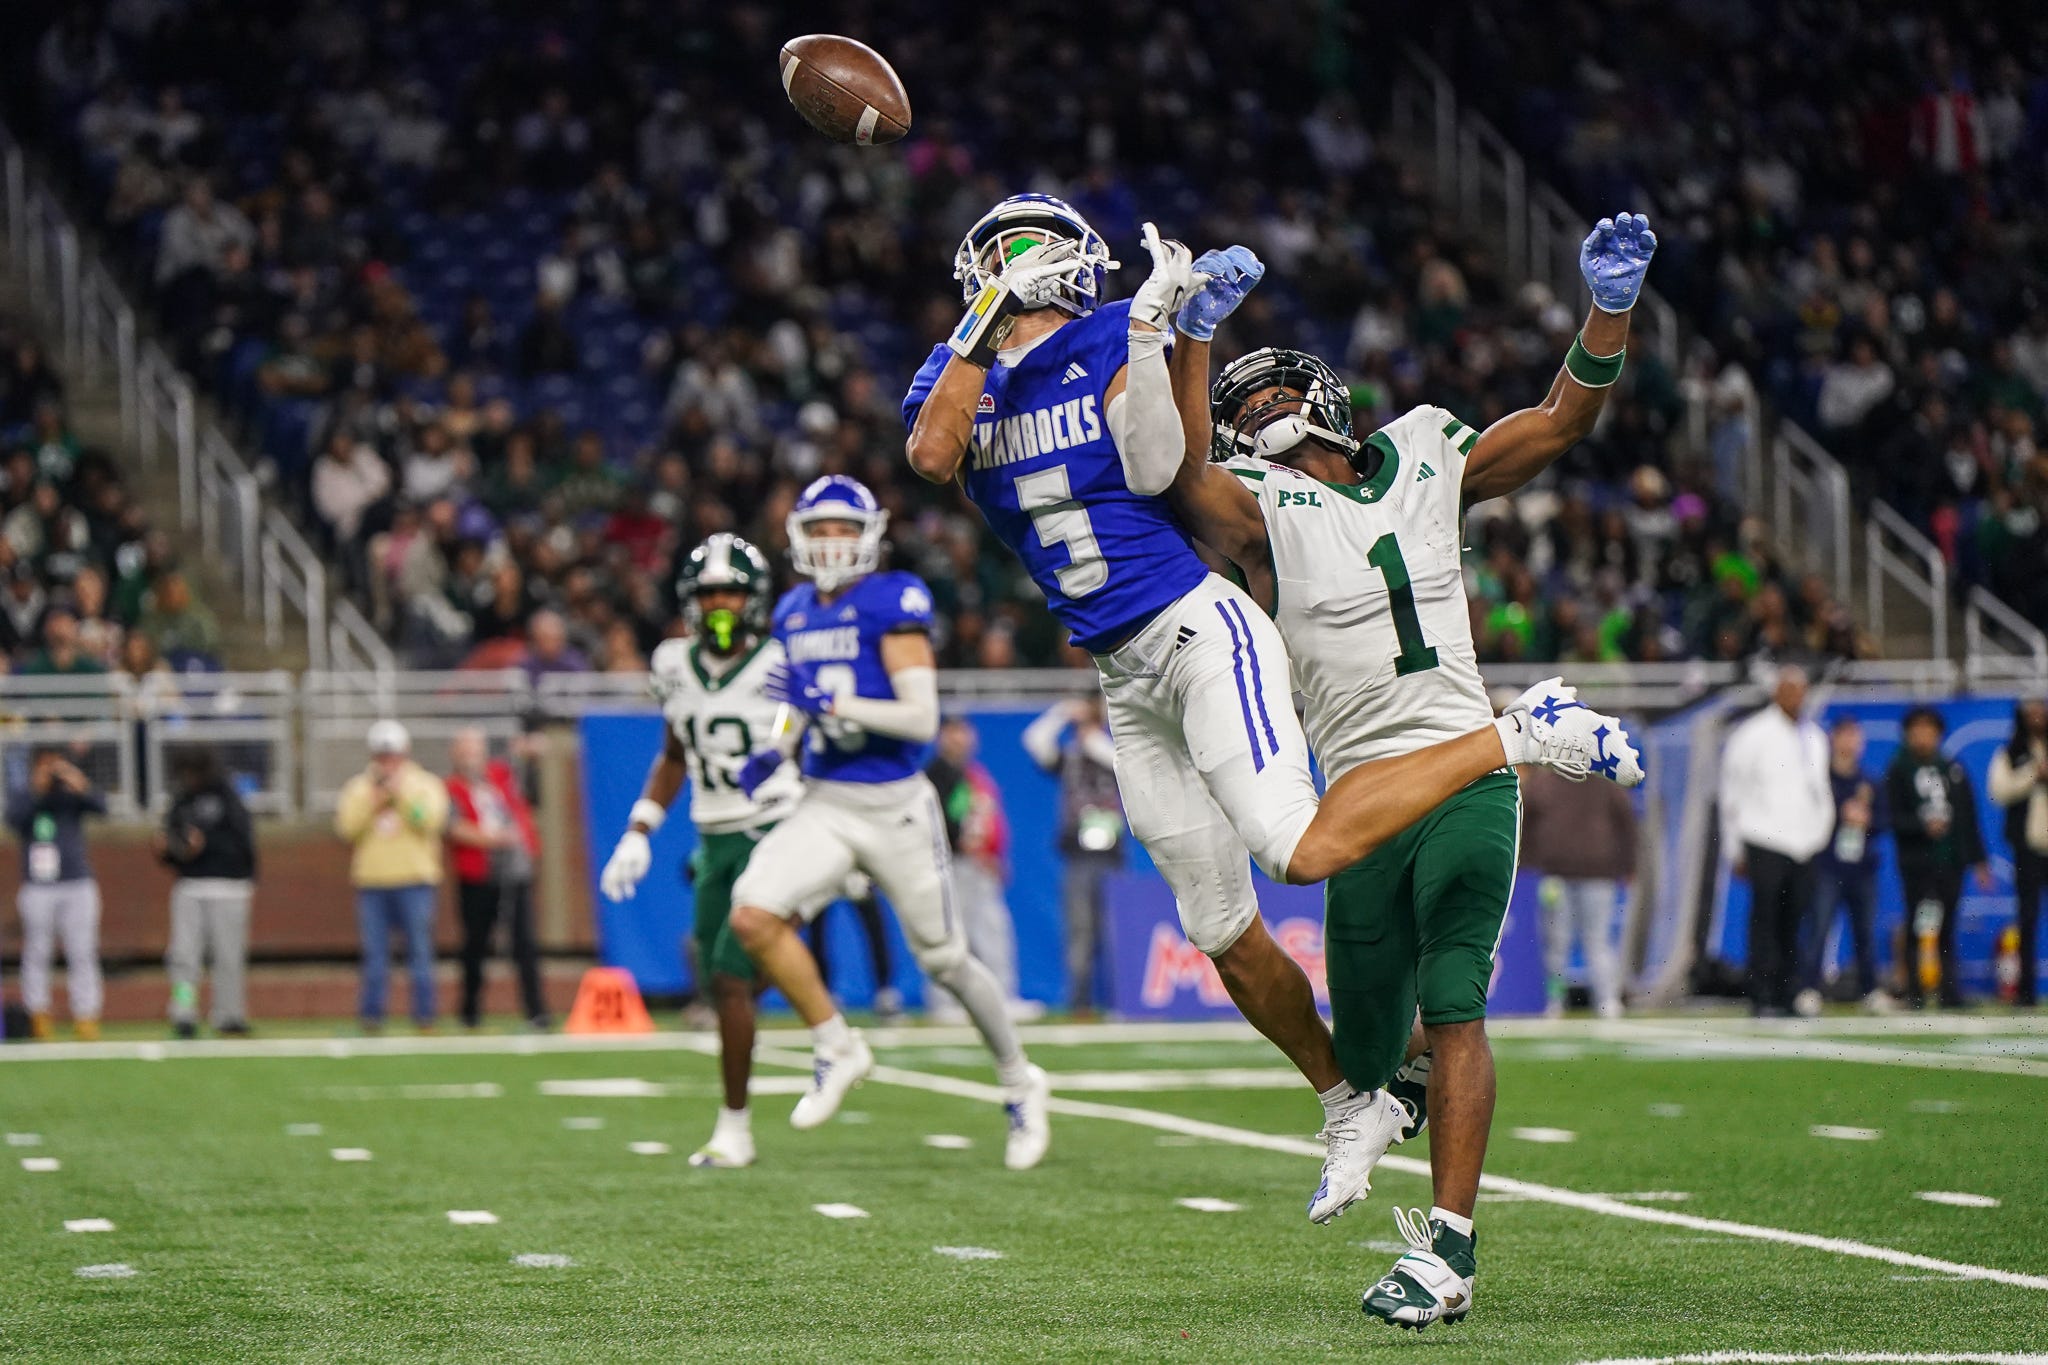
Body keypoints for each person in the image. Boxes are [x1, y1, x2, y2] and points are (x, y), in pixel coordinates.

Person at [904, 195, 1627, 1229]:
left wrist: (1169, 330)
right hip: (1120, 671)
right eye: (1004, 258)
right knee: (1218, 924)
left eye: (1034, 251)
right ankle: (1347, 1102)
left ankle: (1517, 731)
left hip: (1197, 634)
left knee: (1292, 849)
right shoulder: (954, 368)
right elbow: (932, 458)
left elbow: (1162, 468)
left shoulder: (1115, 331)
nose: (1022, 267)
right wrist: (984, 323)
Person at [1161, 213, 1653, 1328]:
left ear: (1328, 399)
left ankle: (1448, 1255)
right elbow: (1183, 477)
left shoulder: (1428, 449)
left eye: (1272, 394)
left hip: (1464, 773)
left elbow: (1560, 421)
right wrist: (1190, 341)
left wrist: (1607, 310)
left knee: (1458, 1003)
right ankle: (1414, 1078)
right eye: (1241, 410)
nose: (1258, 413)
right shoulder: (1257, 514)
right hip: (1358, 806)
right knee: (1375, 1059)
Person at [725, 475, 1053, 1169]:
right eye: (820, 529)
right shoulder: (792, 610)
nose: (832, 541)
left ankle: (1021, 1080)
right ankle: (836, 1042)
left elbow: (920, 718)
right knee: (753, 913)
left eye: (845, 528)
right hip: (825, 799)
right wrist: (775, 747)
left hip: (895, 802)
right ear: (799, 536)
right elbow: (793, 701)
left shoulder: (892, 599)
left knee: (944, 960)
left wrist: (835, 706)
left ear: (869, 534)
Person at [599, 534, 809, 1168]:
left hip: (775, 828)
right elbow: (672, 754)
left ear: (754, 600)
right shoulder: (671, 664)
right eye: (709, 592)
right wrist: (640, 828)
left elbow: (800, 735)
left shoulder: (781, 660)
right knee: (725, 984)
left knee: (730, 973)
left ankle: (740, 1120)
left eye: (731, 592)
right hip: (713, 835)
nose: (720, 604)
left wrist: (793, 770)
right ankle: (758, 1102)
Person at [1718, 667, 1834, 1017]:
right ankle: (1761, 992)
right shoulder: (1752, 734)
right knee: (1765, 918)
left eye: (1801, 690)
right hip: (1763, 836)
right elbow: (1731, 792)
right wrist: (1733, 846)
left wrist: (1822, 830)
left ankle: (1788, 992)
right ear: (1776, 692)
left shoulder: (1813, 736)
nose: (1796, 696)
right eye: (1790, 689)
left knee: (1795, 919)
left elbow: (1819, 789)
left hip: (1805, 841)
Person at [335, 720, 449, 1032]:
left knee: (420, 953)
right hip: (373, 883)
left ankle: (424, 1015)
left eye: (393, 756)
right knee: (374, 956)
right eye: (382, 756)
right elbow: (347, 829)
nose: (387, 763)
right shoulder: (359, 788)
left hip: (415, 881)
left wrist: (401, 797)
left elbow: (429, 822)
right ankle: (372, 1016)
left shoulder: (424, 784)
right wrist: (374, 804)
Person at [1021, 694, 1125, 1012]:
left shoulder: (1113, 755)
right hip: (1078, 856)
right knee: (1079, 933)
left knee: (1112, 932)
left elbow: (1112, 758)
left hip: (1110, 857)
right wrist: (1062, 713)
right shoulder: (1070, 760)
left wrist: (1093, 730)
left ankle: (1119, 999)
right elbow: (1034, 740)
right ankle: (1080, 1002)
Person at [444, 727, 547, 1031]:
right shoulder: (451, 787)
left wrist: (530, 756)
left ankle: (536, 1011)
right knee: (475, 945)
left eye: (475, 750)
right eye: (464, 750)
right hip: (478, 874)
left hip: (514, 873)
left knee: (524, 944)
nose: (470, 756)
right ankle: (470, 1012)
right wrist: (492, 839)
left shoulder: (500, 777)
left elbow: (527, 786)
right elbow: (453, 828)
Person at [1889, 706, 1990, 1009]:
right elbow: (1893, 817)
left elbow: (1968, 817)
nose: (1923, 736)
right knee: (1918, 925)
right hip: (1918, 861)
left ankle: (1949, 991)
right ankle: (1916, 990)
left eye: (1929, 730)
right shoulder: (1899, 770)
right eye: (1917, 730)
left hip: (1950, 861)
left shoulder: (1952, 769)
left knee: (1946, 926)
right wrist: (1922, 826)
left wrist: (1978, 859)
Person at [1521, 762, 1636, 1019]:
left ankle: (1605, 1000)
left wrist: (1628, 864)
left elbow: (1626, 823)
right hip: (1557, 875)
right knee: (1561, 944)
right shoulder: (1545, 781)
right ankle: (1557, 1000)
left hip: (1591, 874)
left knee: (1587, 941)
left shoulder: (1599, 781)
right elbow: (1525, 825)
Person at [157, 747, 256, 1038]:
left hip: (229, 886)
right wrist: (168, 852)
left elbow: (242, 844)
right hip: (190, 886)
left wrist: (206, 845)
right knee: (184, 956)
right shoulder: (181, 800)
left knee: (228, 957)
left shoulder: (227, 798)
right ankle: (184, 1012)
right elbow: (173, 843)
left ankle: (229, 1014)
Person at [8, 745, 106, 1040]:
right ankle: (37, 1013)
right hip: (39, 886)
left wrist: (79, 783)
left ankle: (86, 1014)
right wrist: (37, 790)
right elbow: (14, 820)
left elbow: (102, 807)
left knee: (83, 951)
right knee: (37, 951)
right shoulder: (26, 795)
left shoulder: (70, 795)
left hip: (77, 882)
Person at [927, 715, 1023, 1012]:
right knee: (951, 933)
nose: (959, 739)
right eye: (952, 732)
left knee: (992, 931)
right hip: (952, 864)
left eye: (963, 732)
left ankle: (1002, 997)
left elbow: (988, 821)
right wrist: (965, 847)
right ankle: (946, 1002)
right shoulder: (936, 774)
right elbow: (940, 822)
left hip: (978, 866)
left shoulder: (974, 775)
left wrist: (993, 854)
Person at [1805, 716, 1893, 1015]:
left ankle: (1870, 989)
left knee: (1865, 932)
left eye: (1854, 736)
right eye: (1844, 736)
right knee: (1819, 929)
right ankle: (1809, 988)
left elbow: (1883, 821)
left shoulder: (1869, 781)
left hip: (1862, 868)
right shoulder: (1822, 781)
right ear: (1833, 739)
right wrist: (1838, 816)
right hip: (1828, 865)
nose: (1849, 742)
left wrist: (1866, 821)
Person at [1988, 698, 2048, 1008]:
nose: (2036, 718)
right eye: (2031, 713)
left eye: (2041, 712)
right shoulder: (2010, 752)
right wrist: (2032, 775)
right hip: (2028, 845)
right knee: (2028, 916)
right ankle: (2026, 991)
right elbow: (1998, 790)